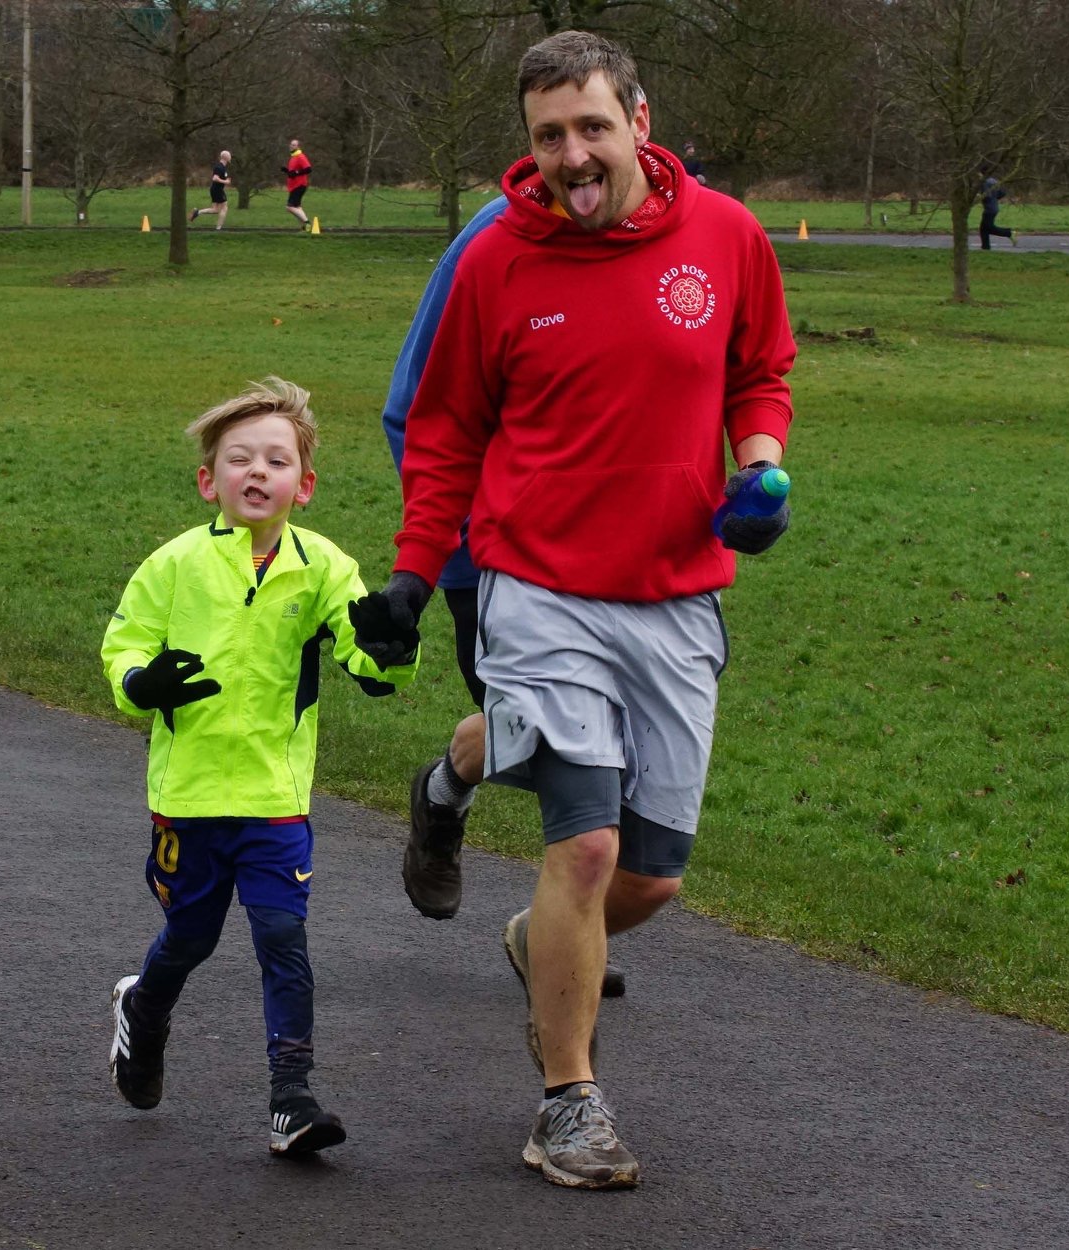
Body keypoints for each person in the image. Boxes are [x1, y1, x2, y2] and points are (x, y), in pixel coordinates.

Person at [350, 30, 796, 1189]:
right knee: (584, 844)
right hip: (537, 583)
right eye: (547, 135)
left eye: (590, 126)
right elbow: (440, 429)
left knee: (647, 876)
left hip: (674, 590)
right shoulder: (494, 258)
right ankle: (567, 1100)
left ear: (637, 121)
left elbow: (758, 370)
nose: (571, 155)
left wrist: (757, 468)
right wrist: (413, 574)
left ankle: (529, 923)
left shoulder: (727, 236)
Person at [101, 377, 417, 1157]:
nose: (257, 472)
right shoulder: (174, 565)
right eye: (239, 459)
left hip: (276, 797)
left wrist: (388, 650)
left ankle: (292, 1097)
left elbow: (362, 653)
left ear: (303, 486)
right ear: (208, 480)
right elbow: (125, 645)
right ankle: (144, 1007)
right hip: (189, 796)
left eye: (276, 461)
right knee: (191, 937)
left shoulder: (323, 567)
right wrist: (142, 683)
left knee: (282, 935)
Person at [381, 192, 626, 1000]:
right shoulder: (492, 241)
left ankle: (550, 919)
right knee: (552, 740)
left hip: (617, 563)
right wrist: (452, 553)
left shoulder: (648, 242)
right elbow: (413, 410)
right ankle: (454, 804)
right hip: (494, 559)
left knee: (603, 737)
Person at [189, 150, 232, 231]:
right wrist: (225, 182)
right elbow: (215, 178)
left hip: (216, 189)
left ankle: (197, 212)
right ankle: (218, 229)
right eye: (229, 155)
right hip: (217, 190)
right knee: (224, 208)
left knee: (216, 210)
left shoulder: (223, 167)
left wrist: (225, 181)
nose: (231, 157)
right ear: (226, 157)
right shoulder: (219, 167)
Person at [282, 140, 312, 230]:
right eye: (291, 144)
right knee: (297, 207)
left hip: (299, 185)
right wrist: (287, 171)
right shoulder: (293, 157)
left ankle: (307, 223)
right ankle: (305, 227)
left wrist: (296, 172)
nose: (291, 146)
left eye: (294, 145)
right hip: (294, 186)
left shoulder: (300, 156)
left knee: (289, 207)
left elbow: (308, 169)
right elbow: (293, 174)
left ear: (298, 147)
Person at [979, 172, 1013, 250]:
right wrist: (994, 198)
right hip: (994, 207)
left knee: (989, 228)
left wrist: (980, 197)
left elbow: (986, 196)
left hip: (989, 209)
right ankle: (985, 247)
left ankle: (1009, 233)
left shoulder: (985, 182)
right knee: (983, 229)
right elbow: (1002, 193)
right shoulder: (994, 181)